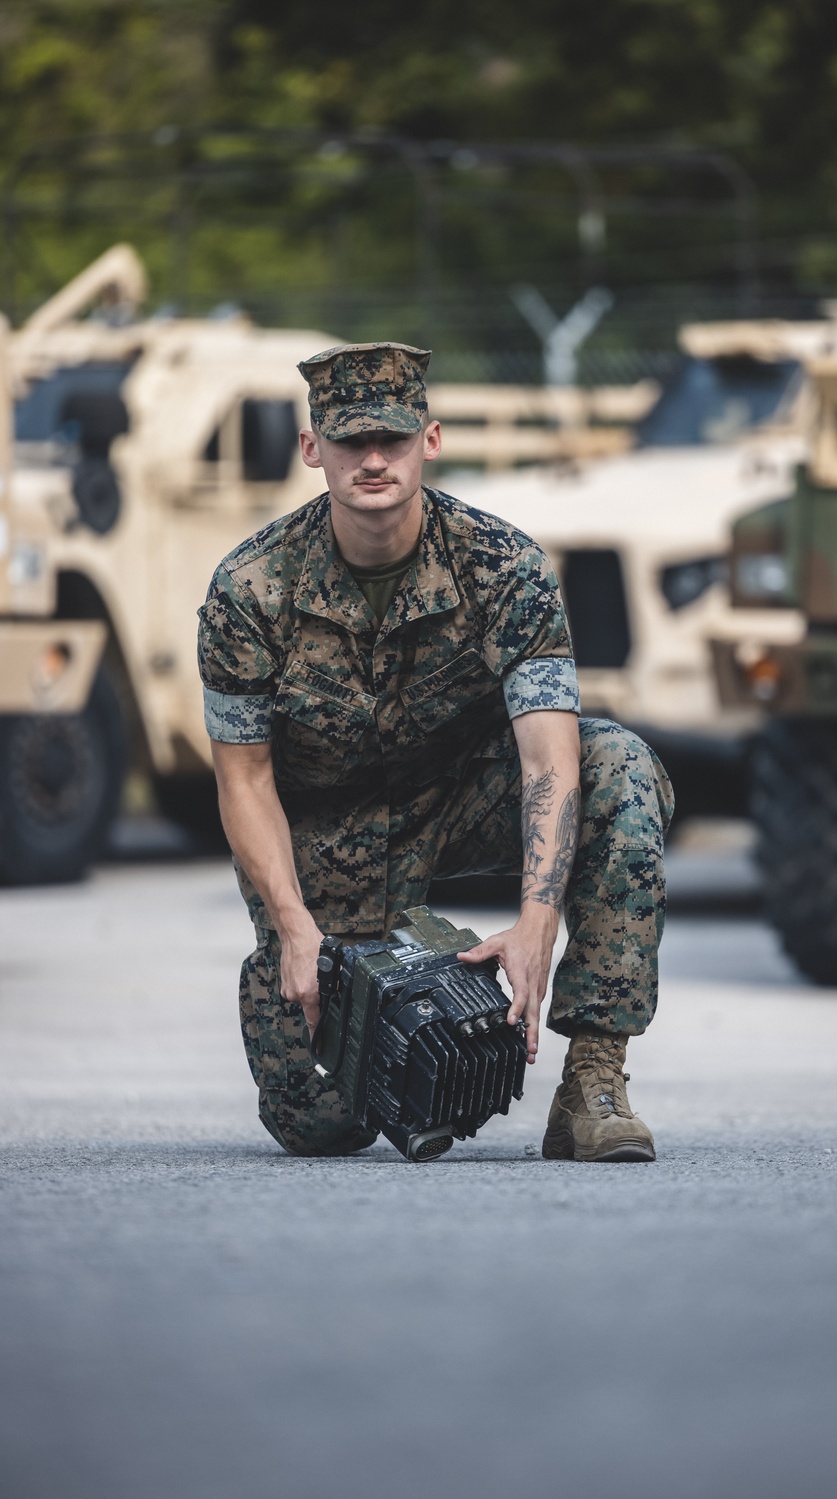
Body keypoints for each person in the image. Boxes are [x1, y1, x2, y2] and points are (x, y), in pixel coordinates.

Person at [198, 341, 674, 1161]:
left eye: (392, 437)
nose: (373, 459)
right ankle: (322, 984)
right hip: (325, 844)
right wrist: (293, 927)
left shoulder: (505, 567)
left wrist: (536, 922)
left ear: (432, 438)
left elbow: (551, 760)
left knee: (617, 767)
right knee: (324, 1128)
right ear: (313, 449)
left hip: (458, 801)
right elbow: (243, 779)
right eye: (350, 441)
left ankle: (594, 1081)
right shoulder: (249, 589)